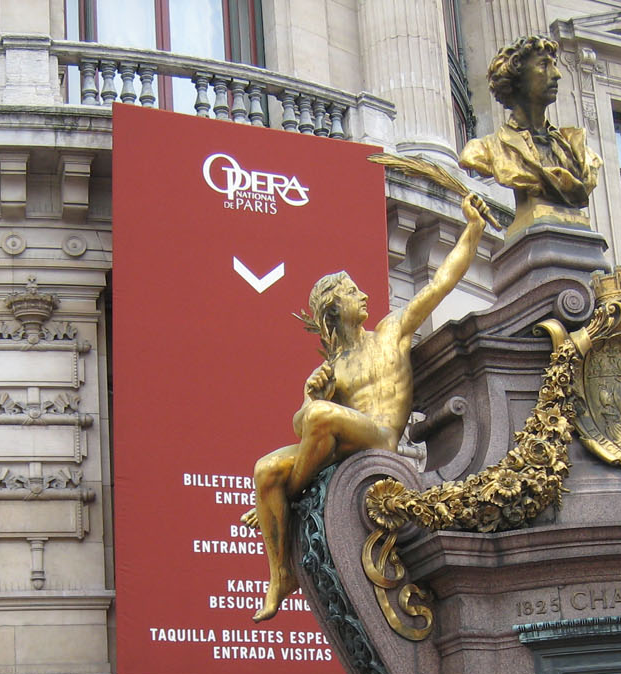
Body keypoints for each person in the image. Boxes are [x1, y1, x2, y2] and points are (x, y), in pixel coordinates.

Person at [244, 192, 490, 621]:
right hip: (347, 442)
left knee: (311, 434)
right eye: (352, 292)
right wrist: (311, 395)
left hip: (382, 438)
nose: (363, 295)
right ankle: (280, 573)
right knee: (265, 470)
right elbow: (305, 428)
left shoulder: (391, 333)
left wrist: (472, 229)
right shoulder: (332, 368)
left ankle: (292, 494)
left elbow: (439, 285)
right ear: (334, 308)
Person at [459, 34, 600, 235]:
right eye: (544, 65)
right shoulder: (485, 149)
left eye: (554, 64)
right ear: (517, 74)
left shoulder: (579, 152)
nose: (557, 74)